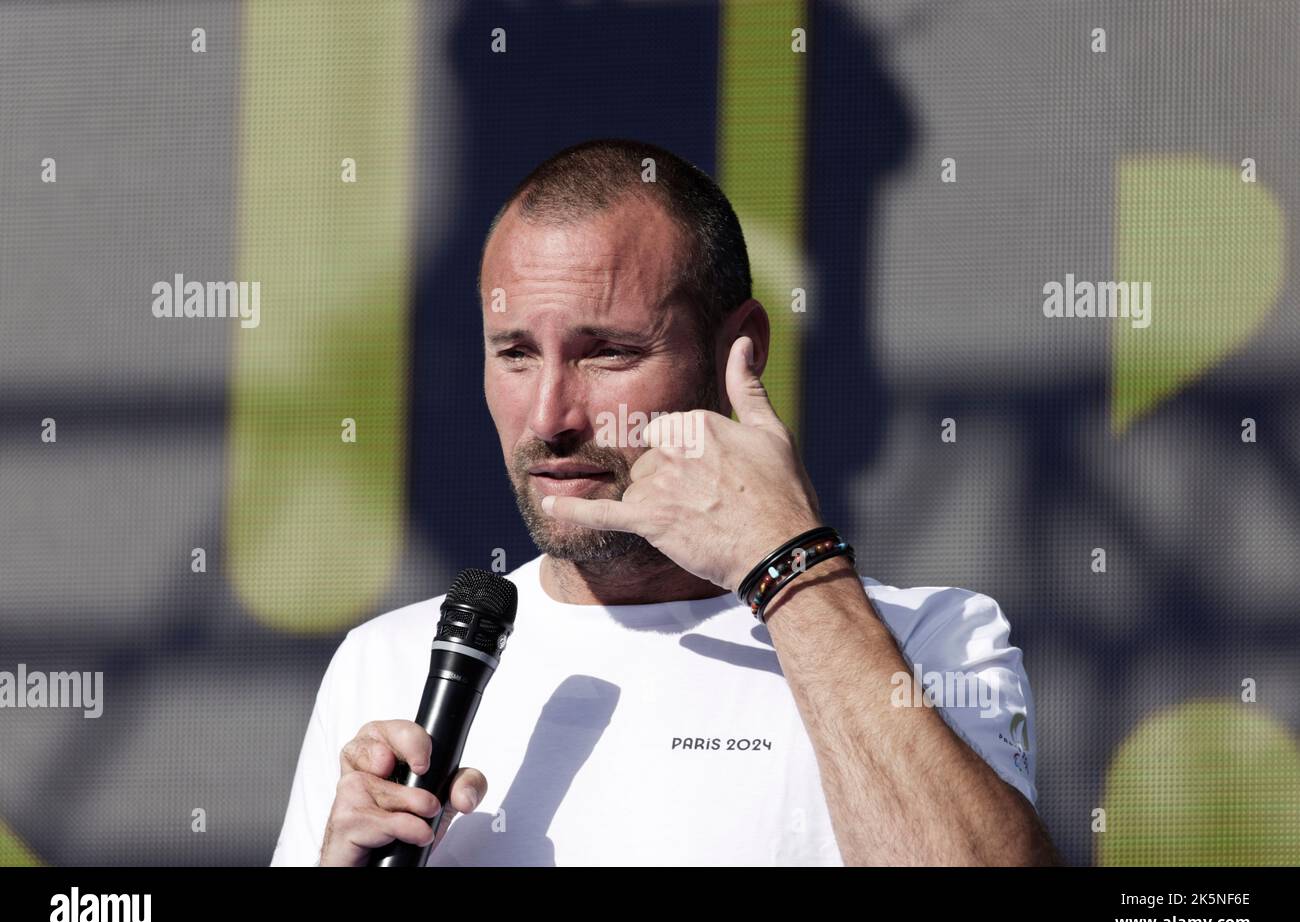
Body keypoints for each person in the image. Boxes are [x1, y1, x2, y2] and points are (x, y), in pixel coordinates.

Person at [271, 139, 1059, 866]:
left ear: (733, 352)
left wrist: (790, 566)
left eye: (607, 351)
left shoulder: (931, 642)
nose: (549, 417)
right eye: (515, 353)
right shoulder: (386, 661)